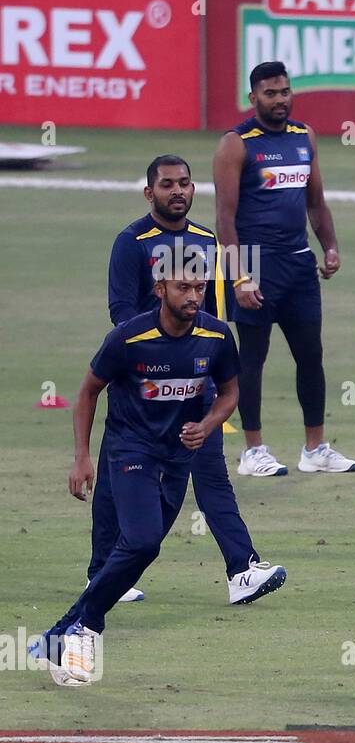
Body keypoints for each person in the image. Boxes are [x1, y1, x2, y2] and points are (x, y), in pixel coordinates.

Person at [31, 262, 243, 687]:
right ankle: (87, 629)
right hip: (130, 451)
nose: (194, 297)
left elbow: (232, 391)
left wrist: (208, 424)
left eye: (200, 288)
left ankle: (58, 634)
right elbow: (89, 390)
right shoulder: (129, 338)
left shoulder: (217, 336)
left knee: (142, 549)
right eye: (184, 287)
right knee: (143, 540)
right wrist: (81, 458)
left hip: (176, 459)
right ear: (160, 288)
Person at [92, 154, 285, 606]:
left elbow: (211, 310)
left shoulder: (205, 239)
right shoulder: (131, 242)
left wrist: (208, 361)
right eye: (166, 184)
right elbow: (120, 313)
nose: (177, 191)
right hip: (140, 384)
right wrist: (159, 354)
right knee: (112, 478)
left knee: (212, 473)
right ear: (149, 193)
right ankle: (100, 573)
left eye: (184, 183)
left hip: (198, 383)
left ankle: (242, 570)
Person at [213, 60, 355, 477]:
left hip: (298, 265)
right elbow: (225, 218)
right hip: (256, 265)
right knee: (253, 359)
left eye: (284, 92)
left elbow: (315, 202)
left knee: (311, 355)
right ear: (253, 97)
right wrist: (239, 276)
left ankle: (315, 448)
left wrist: (329, 247)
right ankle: (253, 451)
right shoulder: (236, 144)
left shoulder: (303, 138)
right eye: (270, 93)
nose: (280, 100)